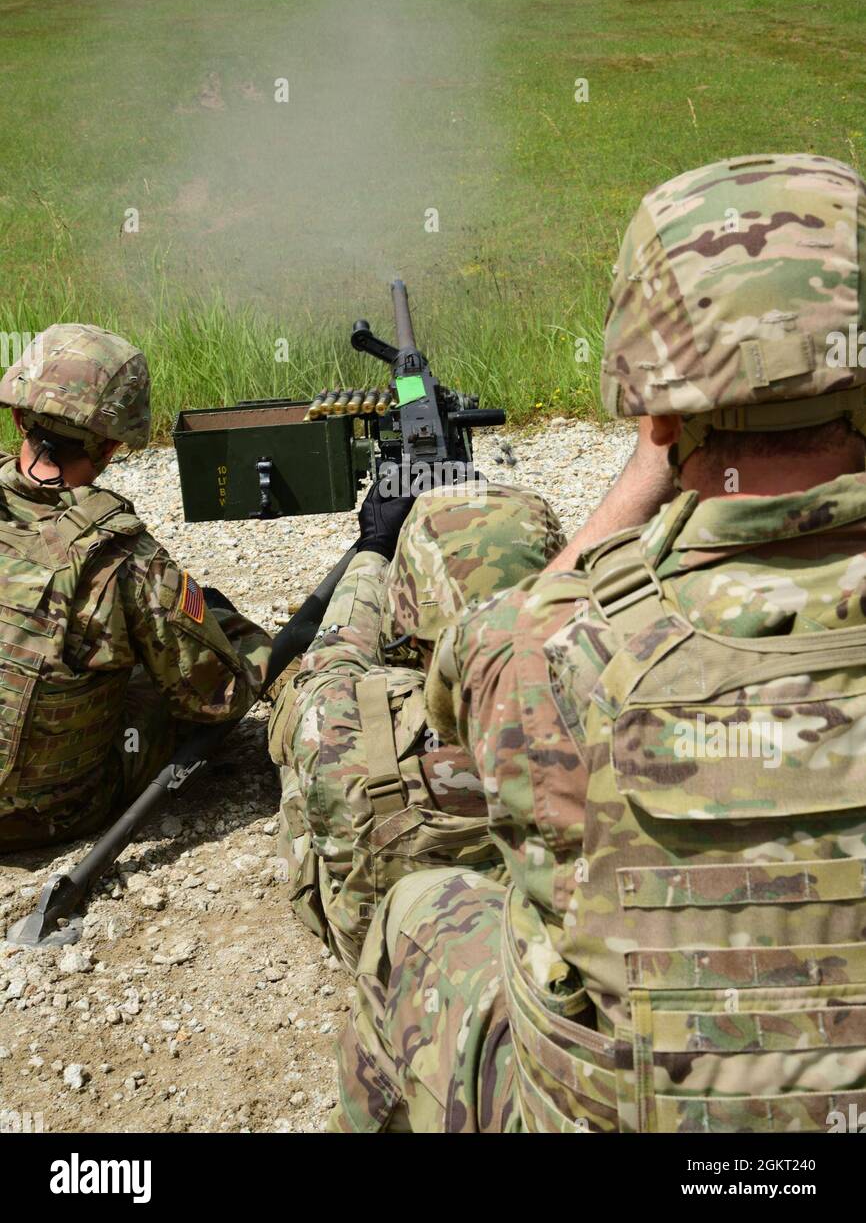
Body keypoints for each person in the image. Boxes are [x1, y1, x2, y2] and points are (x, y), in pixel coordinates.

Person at [331, 152, 866, 1134]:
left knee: (418, 915)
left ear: (655, 405)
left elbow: (459, 687)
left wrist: (644, 469)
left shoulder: (543, 654)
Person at [268, 478, 566, 973]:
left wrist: (373, 550)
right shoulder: (621, 712)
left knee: (306, 756)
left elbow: (335, 655)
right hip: (548, 966)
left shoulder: (340, 717)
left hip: (398, 971)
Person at [0, 323, 271, 852]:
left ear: (16, 416)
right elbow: (215, 700)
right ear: (109, 446)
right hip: (46, 817)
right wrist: (232, 630)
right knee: (159, 683)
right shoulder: (120, 553)